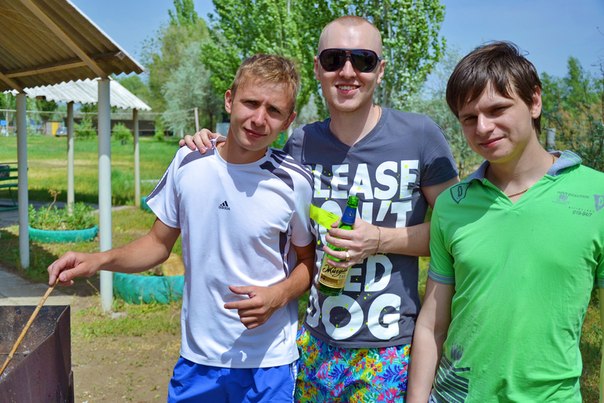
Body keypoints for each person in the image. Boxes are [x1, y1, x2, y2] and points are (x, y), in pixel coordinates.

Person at [182, 16, 459, 401]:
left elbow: (457, 232)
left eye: (363, 60)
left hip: (390, 349)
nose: (347, 71)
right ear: (318, 69)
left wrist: (380, 239)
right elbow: (247, 171)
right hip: (314, 345)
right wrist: (212, 143)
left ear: (380, 70)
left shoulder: (419, 136)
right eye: (333, 59)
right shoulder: (301, 143)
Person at [48, 54, 317, 403]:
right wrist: (97, 260)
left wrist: (278, 295)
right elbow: (158, 243)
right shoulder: (189, 161)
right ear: (230, 100)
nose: (258, 118)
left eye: (274, 110)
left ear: (288, 120)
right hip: (198, 361)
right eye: (251, 103)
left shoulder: (294, 181)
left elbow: (308, 262)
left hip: (269, 364)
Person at [406, 41, 604, 402]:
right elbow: (433, 324)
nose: (483, 127)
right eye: (469, 118)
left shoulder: (597, 197)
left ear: (534, 101)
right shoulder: (452, 205)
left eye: (497, 109)